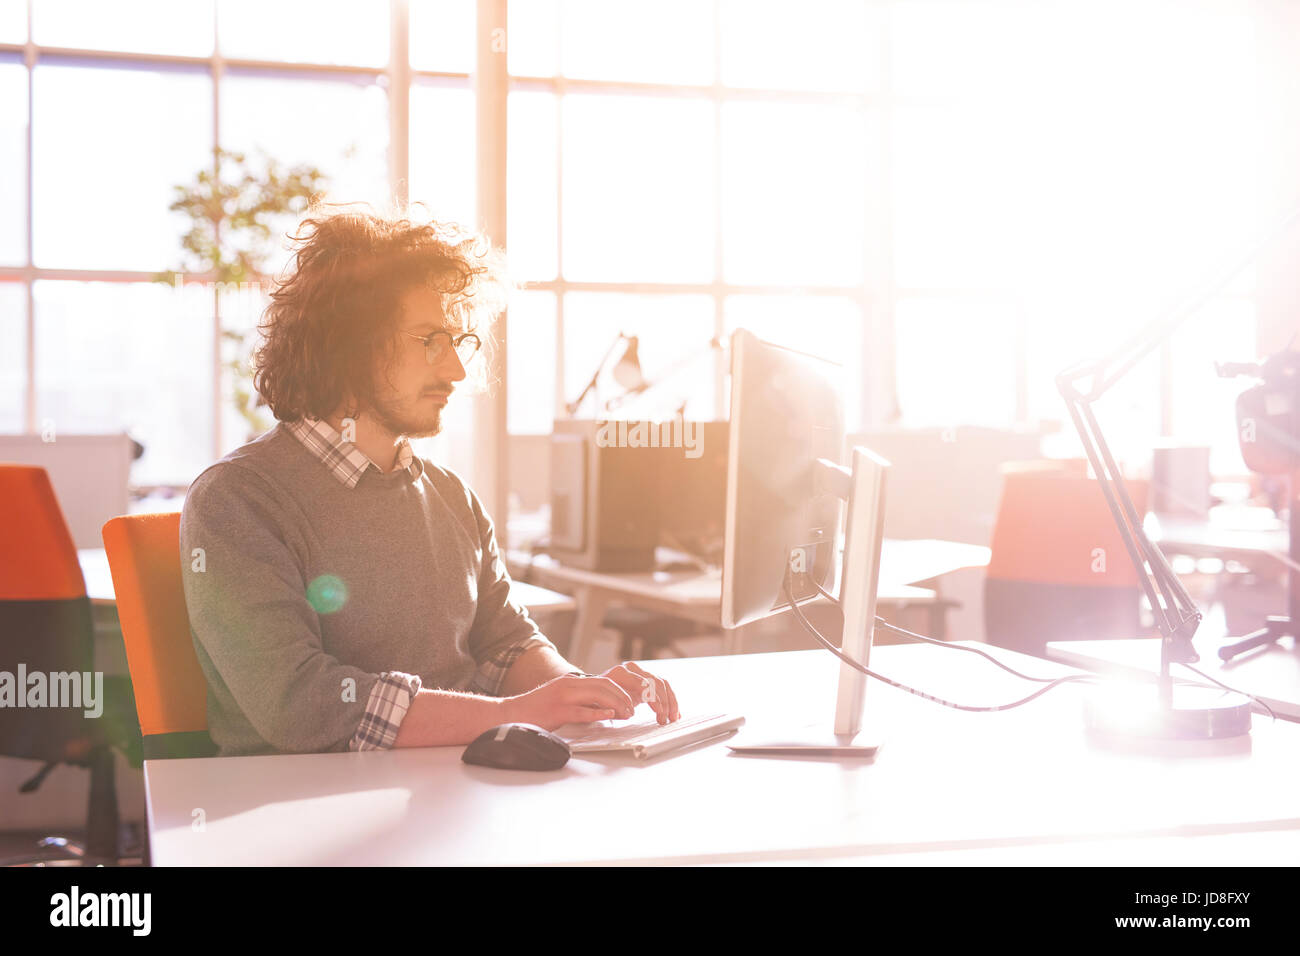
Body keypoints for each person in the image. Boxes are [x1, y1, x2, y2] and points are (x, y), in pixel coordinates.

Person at [179, 206, 679, 756]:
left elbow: (506, 644)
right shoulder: (236, 500)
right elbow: (299, 703)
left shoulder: (451, 497)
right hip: (297, 816)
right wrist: (513, 714)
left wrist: (583, 692)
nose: (456, 371)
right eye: (430, 340)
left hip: (450, 795)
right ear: (348, 342)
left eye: (457, 341)